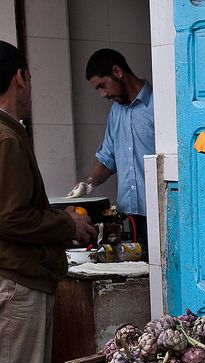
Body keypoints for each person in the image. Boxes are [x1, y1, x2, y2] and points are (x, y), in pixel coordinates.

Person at [0, 40, 96, 363]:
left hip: (15, 275)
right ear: (20, 78)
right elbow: (10, 216)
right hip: (16, 281)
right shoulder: (7, 138)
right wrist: (66, 224)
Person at [67, 49, 155, 259]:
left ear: (117, 72)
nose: (103, 94)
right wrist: (88, 184)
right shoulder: (117, 110)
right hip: (129, 218)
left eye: (102, 86)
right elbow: (108, 157)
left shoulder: (158, 105)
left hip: (160, 213)